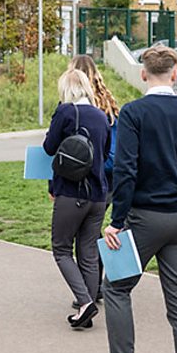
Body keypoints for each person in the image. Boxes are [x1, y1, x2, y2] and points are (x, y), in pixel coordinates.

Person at [84, 45, 177, 353]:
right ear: (175, 73)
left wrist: (116, 221)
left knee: (116, 288)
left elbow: (126, 170)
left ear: (143, 73)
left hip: (146, 216)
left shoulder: (133, 113)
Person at [43, 69, 111, 329]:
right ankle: (87, 307)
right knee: (89, 251)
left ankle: (84, 302)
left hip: (72, 193)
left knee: (61, 249)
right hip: (98, 194)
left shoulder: (65, 112)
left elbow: (49, 147)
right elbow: (105, 152)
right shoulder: (101, 116)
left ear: (66, 89)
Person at [69, 54, 120, 306]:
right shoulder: (109, 105)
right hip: (108, 180)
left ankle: (91, 290)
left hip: (89, 180)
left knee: (86, 235)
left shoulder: (76, 108)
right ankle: (95, 286)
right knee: (91, 232)